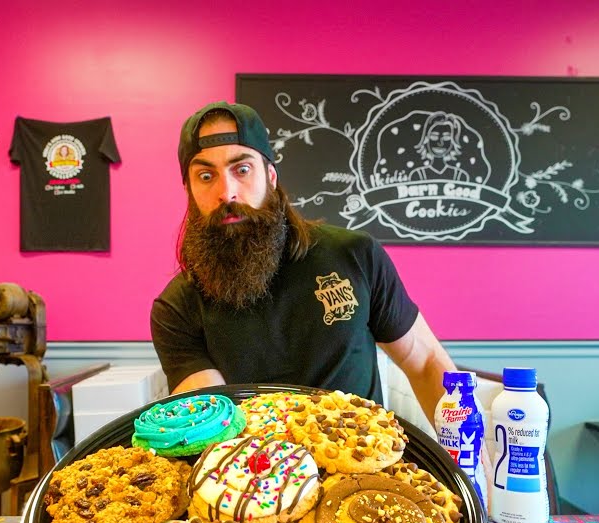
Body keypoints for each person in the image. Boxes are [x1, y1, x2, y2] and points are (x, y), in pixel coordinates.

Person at [149, 101, 457, 422]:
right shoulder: (176, 308)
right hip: (249, 467)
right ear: (189, 189)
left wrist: (472, 458)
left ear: (270, 176)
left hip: (367, 461)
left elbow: (425, 363)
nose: (227, 192)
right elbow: (212, 422)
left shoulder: (356, 257)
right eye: (205, 175)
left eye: (242, 170)